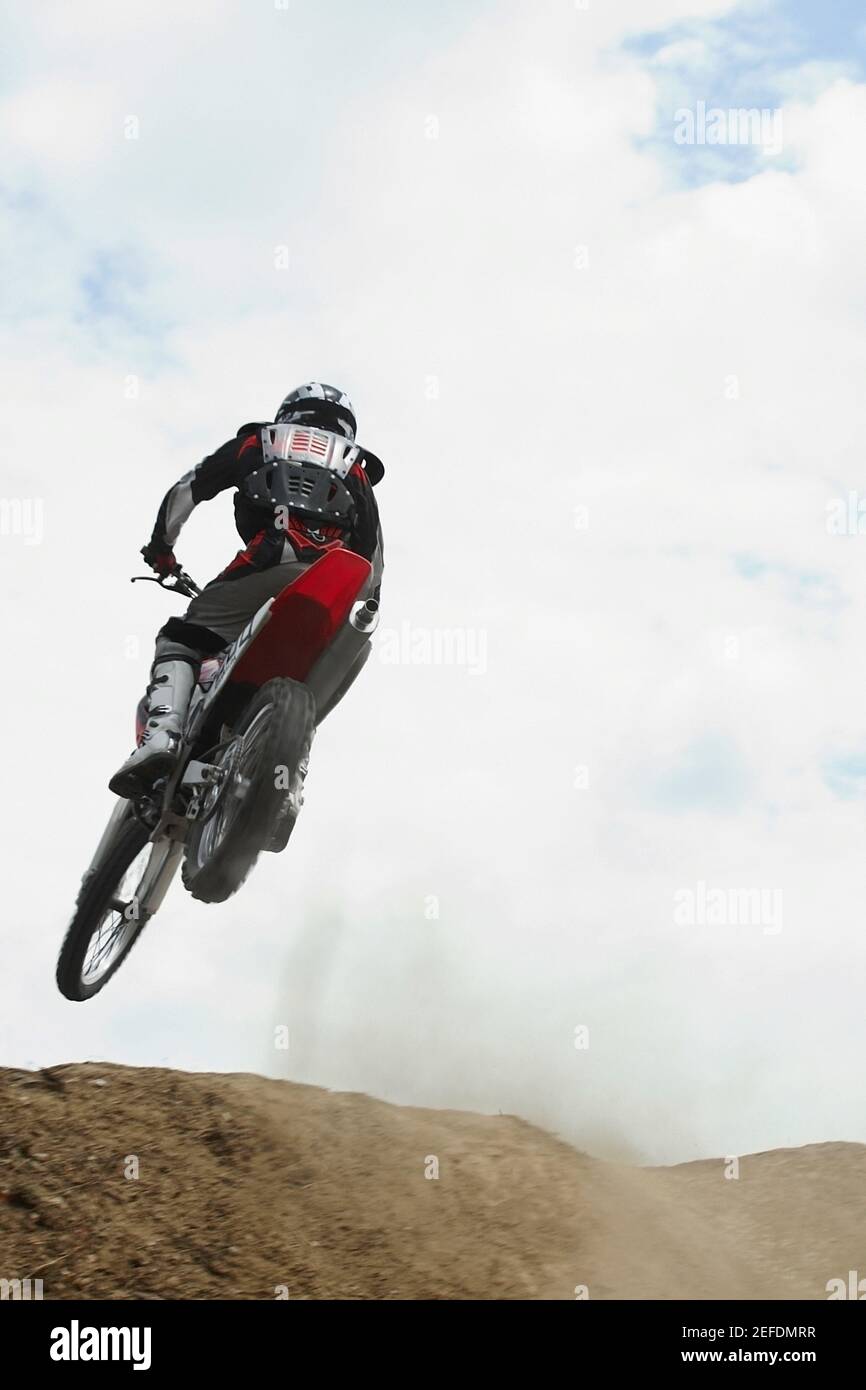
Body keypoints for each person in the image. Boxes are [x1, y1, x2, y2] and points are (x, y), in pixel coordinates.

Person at [109, 382, 384, 798]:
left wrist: (161, 550)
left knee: (181, 637)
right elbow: (374, 559)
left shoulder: (257, 441)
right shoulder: (357, 469)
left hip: (268, 561)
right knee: (315, 678)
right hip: (337, 587)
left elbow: (190, 489)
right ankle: (289, 781)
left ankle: (161, 736)